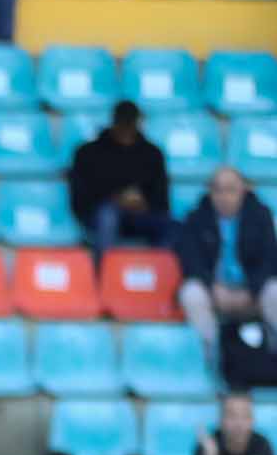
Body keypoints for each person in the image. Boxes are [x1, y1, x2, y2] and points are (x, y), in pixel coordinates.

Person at [174, 167, 277, 354]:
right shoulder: (196, 217)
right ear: (210, 192)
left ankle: (272, 358)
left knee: (274, 291)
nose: (224, 196)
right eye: (218, 190)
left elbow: (270, 260)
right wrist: (213, 287)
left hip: (252, 293)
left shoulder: (261, 215)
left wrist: (250, 290)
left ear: (244, 190)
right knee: (191, 293)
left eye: (230, 189)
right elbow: (191, 261)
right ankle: (211, 358)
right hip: (215, 293)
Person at [68, 102, 171, 258]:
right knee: (107, 216)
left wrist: (143, 203)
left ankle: (160, 271)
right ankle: (104, 270)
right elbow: (81, 199)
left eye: (130, 123)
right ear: (114, 122)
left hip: (142, 215)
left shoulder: (152, 154)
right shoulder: (88, 153)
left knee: (173, 227)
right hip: (102, 215)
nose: (126, 129)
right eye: (123, 123)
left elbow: (162, 200)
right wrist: (115, 199)